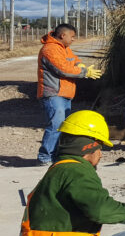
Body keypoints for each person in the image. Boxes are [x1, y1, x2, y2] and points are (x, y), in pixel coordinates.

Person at [37, 24, 101, 165]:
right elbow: (63, 69)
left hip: (64, 93)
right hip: (54, 93)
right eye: (72, 36)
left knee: (62, 126)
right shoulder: (50, 49)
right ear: (62, 35)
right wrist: (84, 72)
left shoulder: (64, 49)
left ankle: (54, 157)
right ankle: (45, 157)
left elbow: (74, 60)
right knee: (56, 125)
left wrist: (80, 65)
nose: (73, 39)